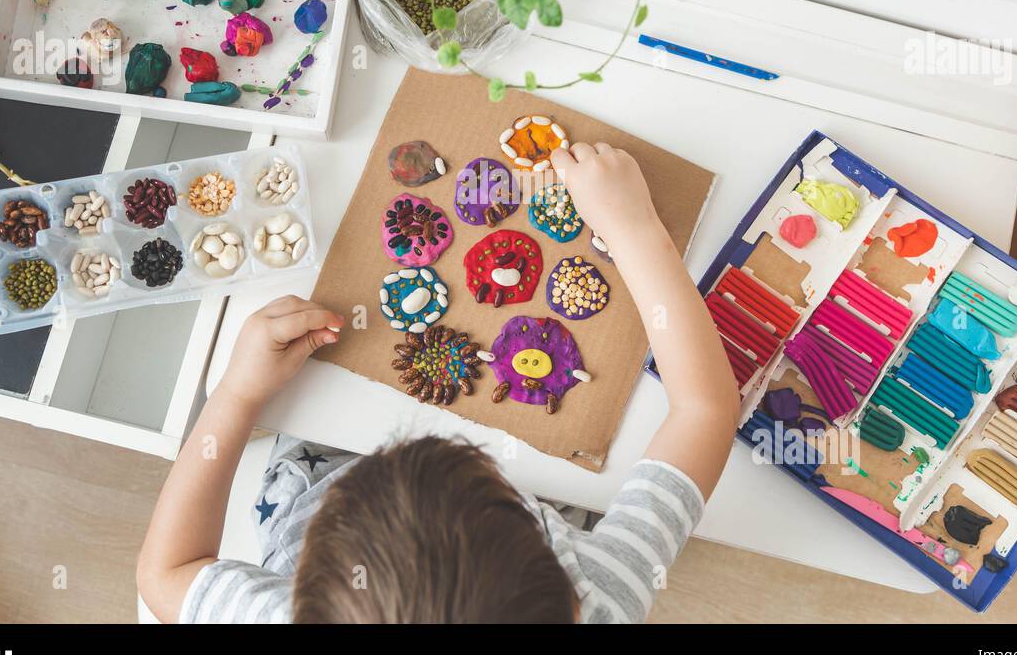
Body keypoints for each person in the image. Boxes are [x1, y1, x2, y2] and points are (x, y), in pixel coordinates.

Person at [137, 142, 738, 623]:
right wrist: (633, 228)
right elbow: (706, 409)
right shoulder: (604, 598)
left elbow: (166, 573)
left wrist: (237, 393)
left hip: (311, 477)